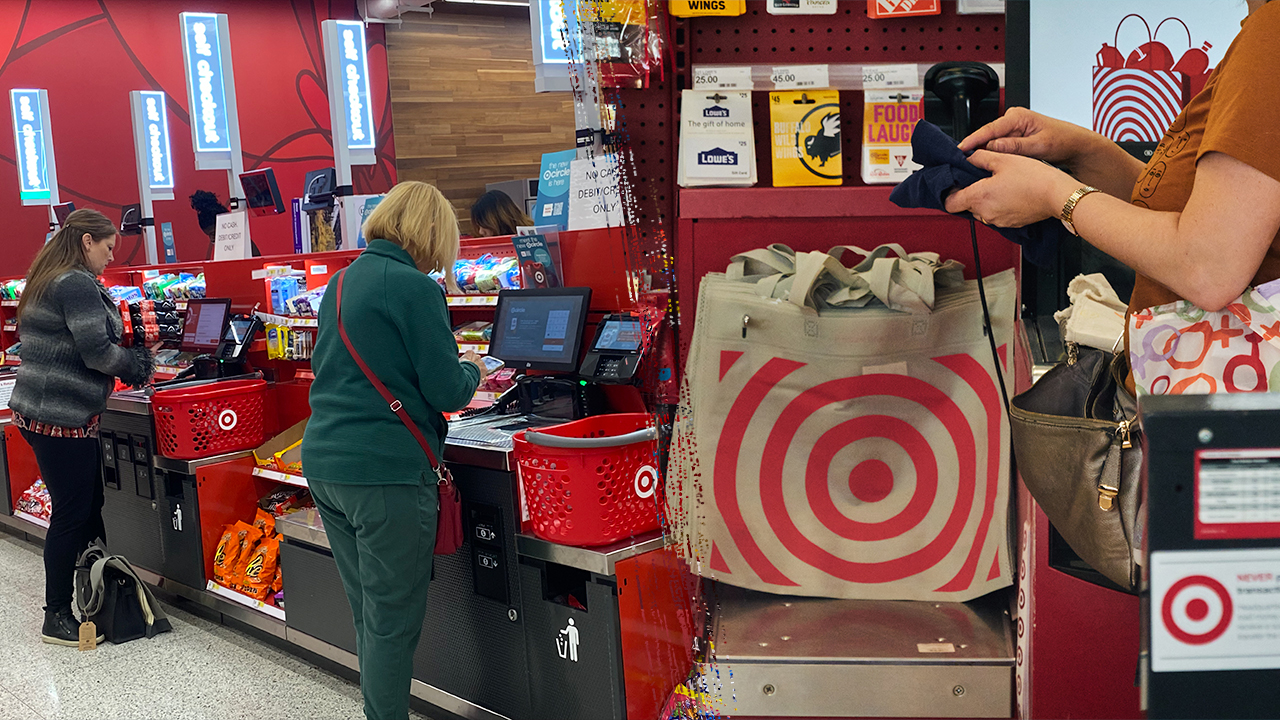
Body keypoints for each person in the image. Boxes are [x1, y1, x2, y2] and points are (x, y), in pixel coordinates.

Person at [944, 0, 1280, 392]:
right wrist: (1088, 154)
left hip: (1225, 421)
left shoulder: (1272, 31)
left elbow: (1207, 268)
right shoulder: (1262, 29)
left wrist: (1055, 194)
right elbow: (1226, 215)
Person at [301, 181, 487, 720]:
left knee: (369, 612)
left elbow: (329, 369)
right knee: (393, 620)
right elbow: (446, 389)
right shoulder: (413, 287)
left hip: (327, 462)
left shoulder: (339, 283)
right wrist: (476, 367)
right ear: (432, 233)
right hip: (383, 470)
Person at [9, 208, 154, 646]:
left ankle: (97, 589)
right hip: (60, 417)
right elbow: (96, 351)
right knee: (73, 514)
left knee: (89, 505)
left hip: (45, 411)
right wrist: (137, 365)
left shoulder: (46, 275)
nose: (111, 257)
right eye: (108, 247)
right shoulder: (73, 282)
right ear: (87, 242)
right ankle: (56, 614)